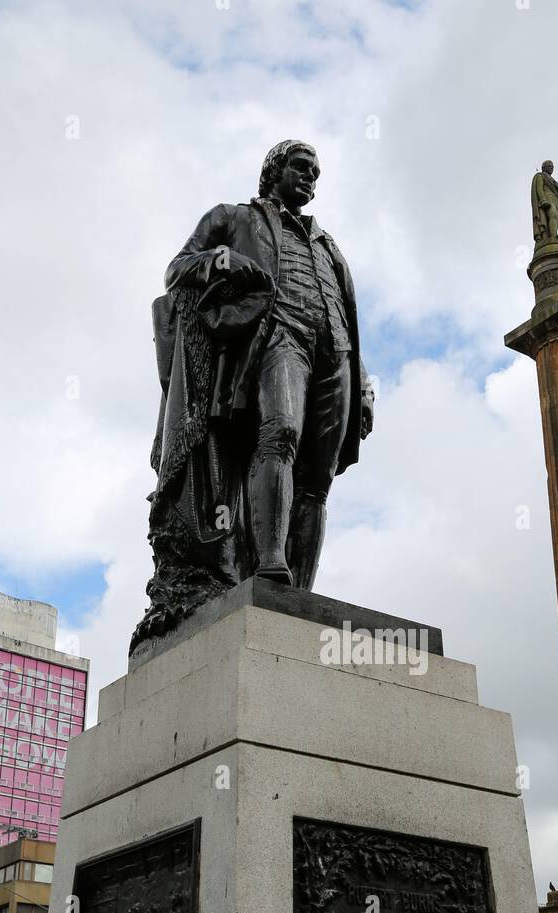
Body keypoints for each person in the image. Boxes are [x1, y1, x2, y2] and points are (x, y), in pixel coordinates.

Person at [131, 139, 375, 650]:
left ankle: (298, 596)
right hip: (275, 334)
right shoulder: (234, 217)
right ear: (274, 172)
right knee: (279, 432)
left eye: (316, 172)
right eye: (300, 168)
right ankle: (269, 565)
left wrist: (365, 382)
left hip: (334, 355)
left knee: (319, 478)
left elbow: (349, 321)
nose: (310, 178)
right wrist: (222, 261)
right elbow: (178, 268)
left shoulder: (330, 247)